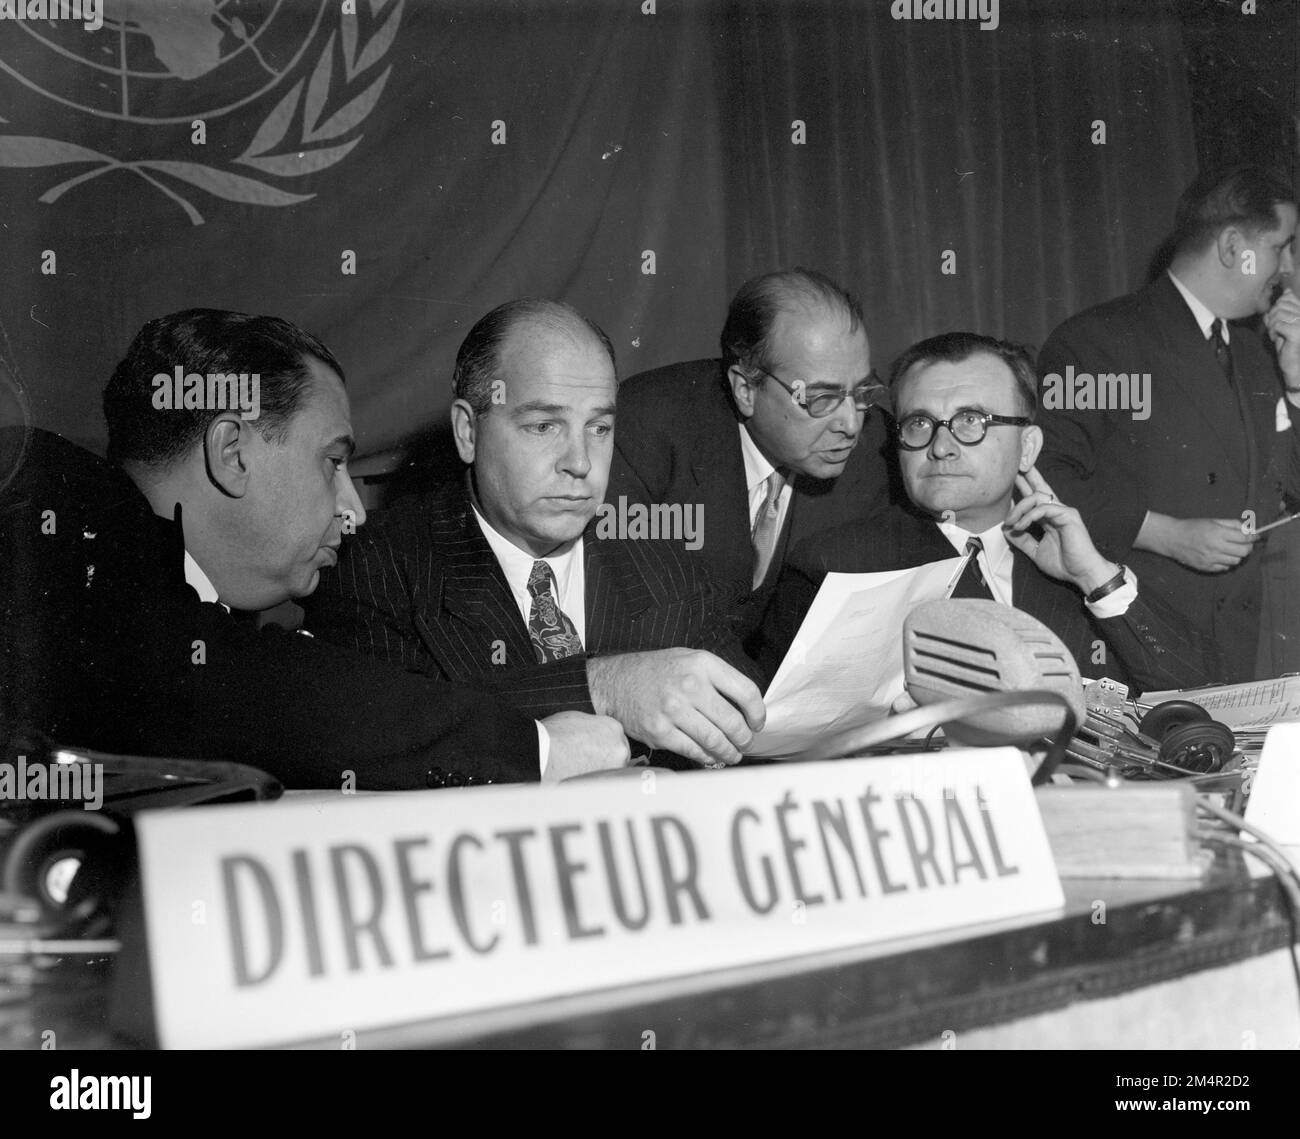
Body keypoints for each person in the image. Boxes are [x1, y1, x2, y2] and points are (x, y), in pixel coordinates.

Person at [0, 309, 629, 788]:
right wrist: (536, 749)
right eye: (332, 462)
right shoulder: (44, 495)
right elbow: (240, 683)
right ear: (232, 453)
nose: (353, 510)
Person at [304, 299, 767, 770]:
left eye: (599, 427)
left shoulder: (661, 556)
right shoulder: (372, 566)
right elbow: (383, 734)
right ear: (468, 431)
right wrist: (601, 687)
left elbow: (751, 722)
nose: (581, 462)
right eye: (544, 426)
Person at [763, 333, 1222, 694]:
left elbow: (1198, 697)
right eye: (919, 423)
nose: (941, 447)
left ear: (1027, 448)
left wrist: (1097, 578)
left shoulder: (1078, 563)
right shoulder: (833, 568)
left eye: (971, 422)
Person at [1036, 164, 1300, 681]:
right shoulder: (1098, 341)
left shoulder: (1256, 353)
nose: (1288, 267)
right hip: (1142, 644)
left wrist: (1296, 383)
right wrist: (1164, 534)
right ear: (1232, 248)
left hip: (1248, 652)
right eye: (1281, 247)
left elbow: (1291, 490)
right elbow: (1047, 476)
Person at [606, 268, 892, 653]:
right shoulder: (646, 427)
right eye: (821, 398)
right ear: (746, 389)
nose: (851, 424)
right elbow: (631, 613)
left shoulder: (877, 446)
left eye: (861, 392)